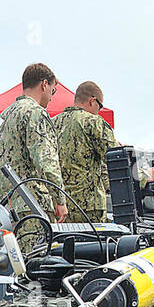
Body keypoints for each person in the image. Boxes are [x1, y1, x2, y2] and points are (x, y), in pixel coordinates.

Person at [0, 63, 68, 247]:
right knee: (34, 269)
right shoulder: (36, 113)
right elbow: (46, 162)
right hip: (32, 207)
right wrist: (60, 200)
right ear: (44, 84)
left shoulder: (4, 115)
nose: (52, 97)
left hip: (4, 208)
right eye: (53, 90)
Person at [54, 80, 119, 223]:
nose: (99, 111)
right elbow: (117, 161)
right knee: (92, 245)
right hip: (89, 207)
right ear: (92, 101)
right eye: (100, 106)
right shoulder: (93, 122)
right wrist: (145, 177)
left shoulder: (53, 123)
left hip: (60, 207)